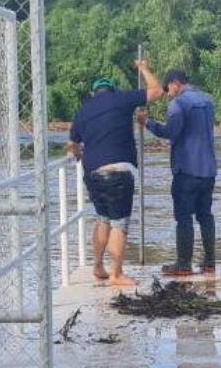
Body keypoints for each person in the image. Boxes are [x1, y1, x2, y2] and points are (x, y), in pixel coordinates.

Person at [68, 60, 163, 287]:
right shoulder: (122, 99)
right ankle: (116, 274)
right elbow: (157, 91)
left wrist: (80, 154)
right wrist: (143, 68)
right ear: (113, 89)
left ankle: (98, 266)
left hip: (92, 173)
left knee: (103, 219)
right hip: (118, 171)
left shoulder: (84, 110)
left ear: (94, 92)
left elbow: (73, 145)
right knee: (119, 223)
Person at [138, 70, 218, 276]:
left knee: (183, 216)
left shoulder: (179, 104)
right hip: (208, 168)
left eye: (167, 89)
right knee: (205, 215)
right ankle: (210, 261)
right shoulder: (208, 101)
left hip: (187, 169)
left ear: (174, 84)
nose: (168, 94)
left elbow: (170, 132)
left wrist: (147, 123)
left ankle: (183, 263)